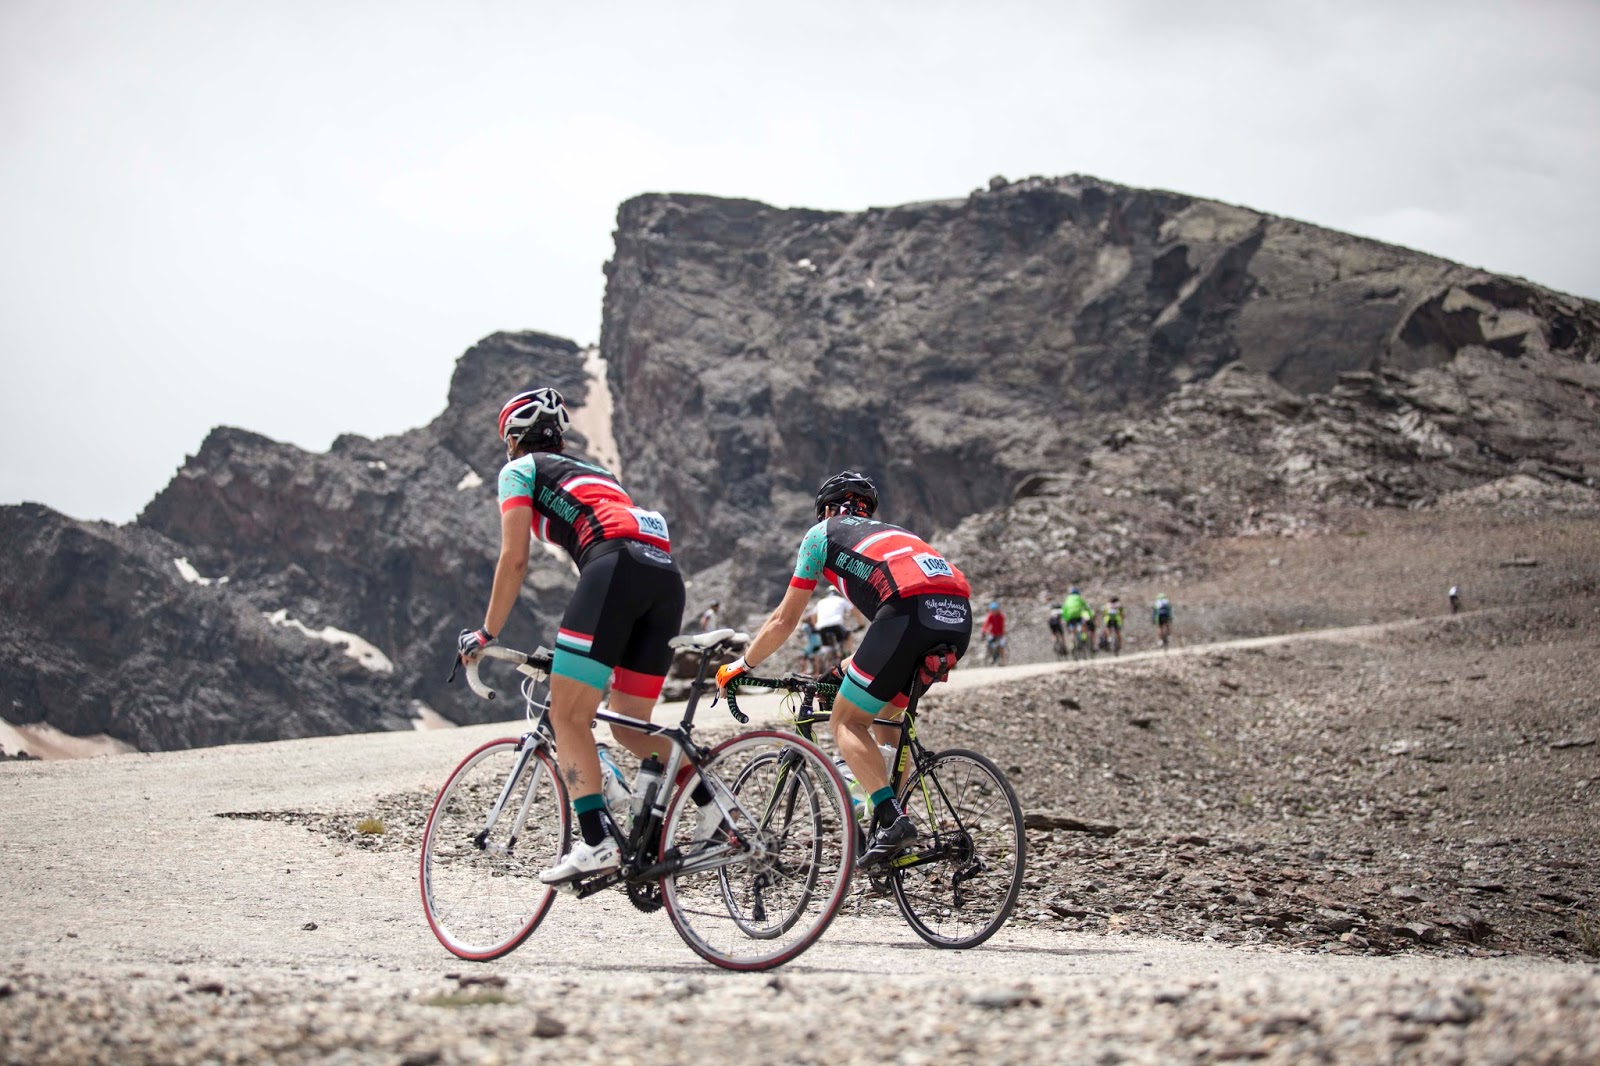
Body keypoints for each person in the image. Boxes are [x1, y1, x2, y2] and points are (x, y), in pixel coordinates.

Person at [454, 387, 704, 885]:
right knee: (632, 726)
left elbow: (515, 558)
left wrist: (487, 632)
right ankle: (716, 812)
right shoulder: (599, 475)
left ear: (513, 439)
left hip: (614, 571)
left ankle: (595, 842)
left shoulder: (519, 471)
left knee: (566, 715)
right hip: (663, 578)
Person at [715, 471, 972, 866]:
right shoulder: (891, 533)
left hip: (908, 611)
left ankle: (890, 819)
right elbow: (886, 644)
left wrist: (741, 664)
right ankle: (893, 847)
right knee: (888, 717)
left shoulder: (822, 535)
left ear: (826, 510)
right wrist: (839, 671)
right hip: (956, 615)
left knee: (845, 722)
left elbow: (785, 620)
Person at [812, 586, 860, 667]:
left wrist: (815, 626)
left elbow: (813, 615)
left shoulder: (821, 602)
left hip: (822, 628)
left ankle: (826, 664)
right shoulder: (841, 600)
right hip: (836, 626)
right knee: (849, 635)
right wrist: (861, 624)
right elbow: (854, 610)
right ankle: (847, 654)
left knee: (826, 648)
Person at [1060, 587, 1092, 653]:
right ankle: (1084, 637)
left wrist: (1065, 618)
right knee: (1084, 624)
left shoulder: (1067, 599)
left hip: (1070, 618)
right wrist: (1090, 614)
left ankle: (1072, 644)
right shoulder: (1079, 598)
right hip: (1078, 616)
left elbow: (1064, 610)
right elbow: (1086, 607)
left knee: (1072, 631)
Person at [980, 601, 1008, 665]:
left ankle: (1003, 660)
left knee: (1001, 646)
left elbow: (1002, 626)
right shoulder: (990, 616)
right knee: (989, 645)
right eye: (992, 610)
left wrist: (1000, 634)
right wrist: (983, 631)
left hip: (1000, 634)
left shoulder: (1001, 616)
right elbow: (986, 624)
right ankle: (992, 657)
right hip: (992, 633)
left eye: (995, 610)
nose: (994, 611)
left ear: (998, 609)